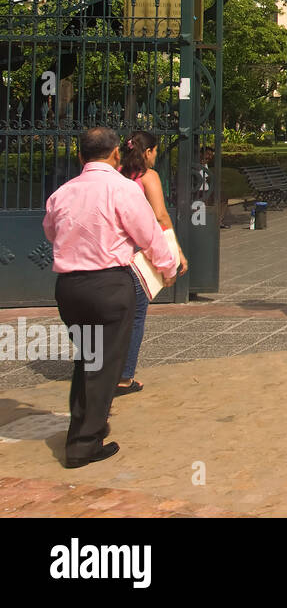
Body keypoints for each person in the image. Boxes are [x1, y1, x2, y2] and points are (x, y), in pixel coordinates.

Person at [43, 127, 180, 467]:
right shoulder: (122, 190)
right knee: (104, 366)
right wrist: (169, 266)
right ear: (116, 153)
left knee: (88, 358)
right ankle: (84, 444)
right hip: (109, 285)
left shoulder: (62, 193)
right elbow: (149, 234)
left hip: (71, 288)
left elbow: (50, 230)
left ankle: (85, 427)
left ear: (80, 156)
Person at [116, 130, 190, 396]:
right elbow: (160, 217)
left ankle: (101, 368)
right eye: (156, 151)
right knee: (135, 316)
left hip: (112, 256)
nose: (156, 156)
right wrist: (176, 252)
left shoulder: (116, 174)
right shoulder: (147, 177)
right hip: (138, 257)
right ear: (147, 152)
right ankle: (124, 376)